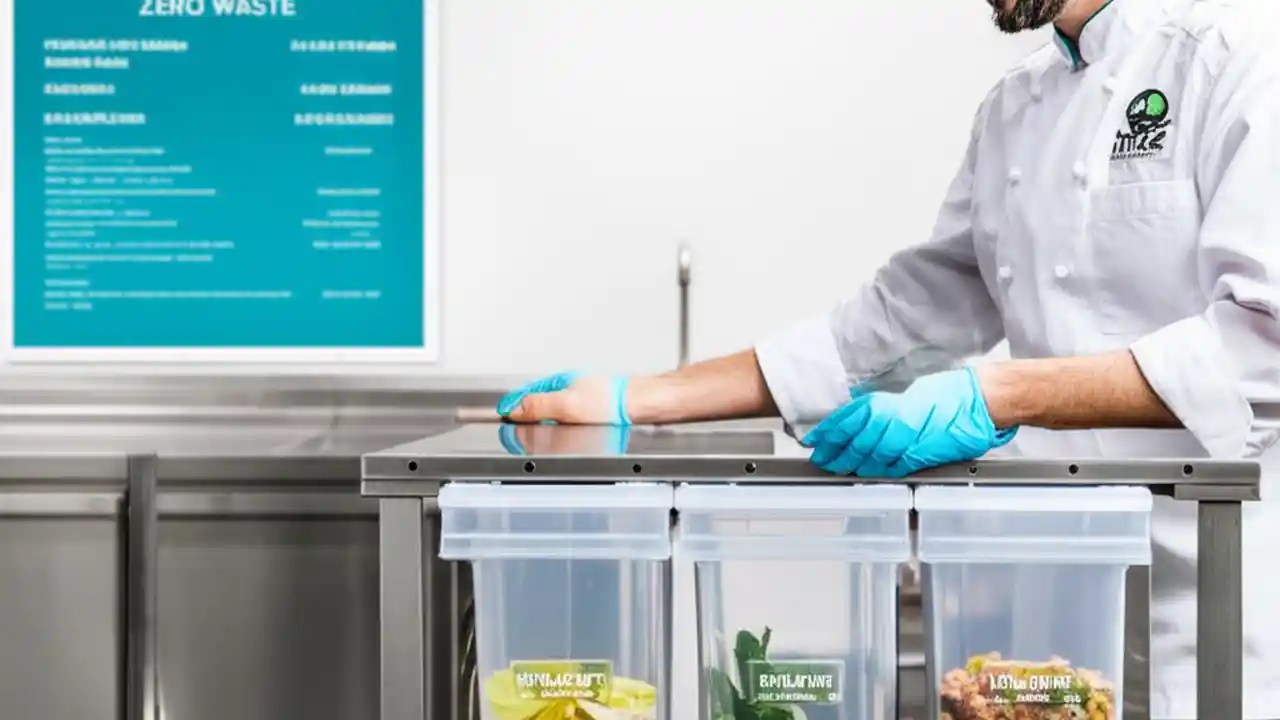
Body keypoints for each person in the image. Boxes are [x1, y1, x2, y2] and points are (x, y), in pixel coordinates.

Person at [497, 0, 1280, 716]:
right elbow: (901, 316)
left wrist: (1002, 394)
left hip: (1222, 599)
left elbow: (1262, 341)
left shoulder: (1239, 55)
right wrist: (640, 397)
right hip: (1056, 602)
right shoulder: (1017, 106)